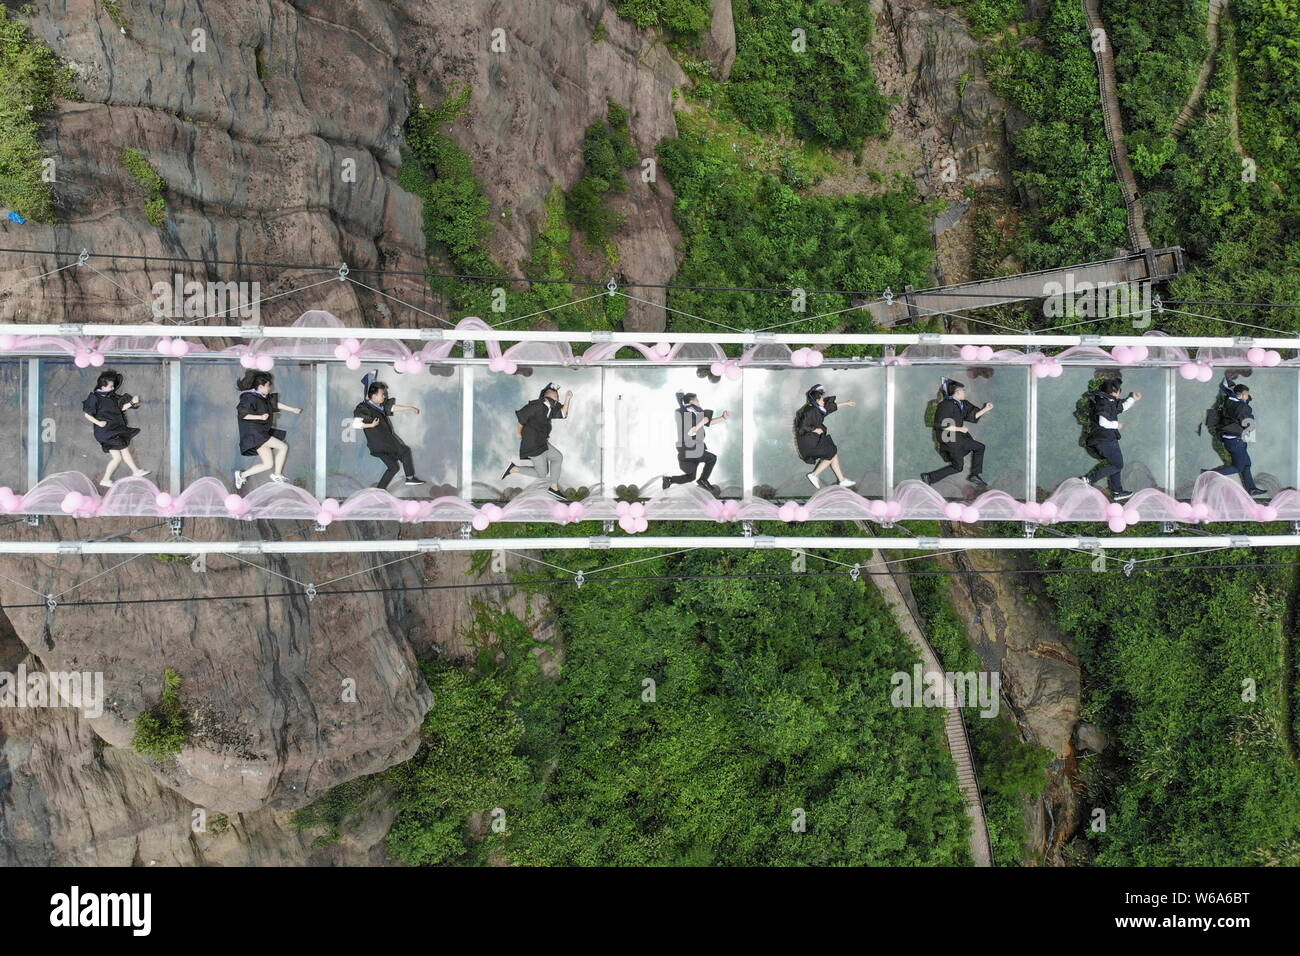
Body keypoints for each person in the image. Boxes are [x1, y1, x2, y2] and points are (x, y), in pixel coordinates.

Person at [352, 375, 425, 489]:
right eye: (382, 394)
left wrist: (411, 408)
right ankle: (410, 477)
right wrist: (371, 425)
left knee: (393, 467)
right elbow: (355, 424)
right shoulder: (364, 407)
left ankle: (379, 490)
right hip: (382, 442)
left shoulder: (380, 406)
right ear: (374, 395)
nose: (384, 396)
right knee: (405, 451)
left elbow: (393, 407)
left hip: (378, 446)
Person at [81, 369, 150, 488]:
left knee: (118, 457)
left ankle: (106, 479)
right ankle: (135, 470)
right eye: (110, 386)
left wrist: (132, 402)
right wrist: (98, 423)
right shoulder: (94, 398)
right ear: (102, 386)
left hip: (114, 429)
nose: (113, 388)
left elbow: (120, 409)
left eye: (113, 386)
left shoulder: (111, 397)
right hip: (106, 432)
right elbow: (87, 414)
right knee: (124, 449)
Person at [233, 370, 302, 489]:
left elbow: (275, 404)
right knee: (283, 446)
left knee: (268, 464)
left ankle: (241, 475)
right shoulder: (249, 398)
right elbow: (243, 414)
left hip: (260, 433)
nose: (270, 388)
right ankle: (277, 474)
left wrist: (292, 409)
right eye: (268, 386)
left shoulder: (262, 397)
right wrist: (259, 416)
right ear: (260, 386)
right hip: (255, 433)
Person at [504, 382, 572, 501]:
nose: (558, 397)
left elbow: (562, 413)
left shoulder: (550, 408)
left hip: (542, 443)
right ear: (547, 395)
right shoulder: (537, 405)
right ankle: (513, 469)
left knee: (557, 457)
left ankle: (553, 487)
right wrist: (519, 432)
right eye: (556, 395)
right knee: (542, 474)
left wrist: (567, 399)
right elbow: (522, 418)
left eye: (558, 396)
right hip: (533, 444)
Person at [1207, 372, 1269, 498]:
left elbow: (1227, 387)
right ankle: (1211, 475)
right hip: (1235, 441)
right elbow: (1246, 422)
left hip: (1231, 439)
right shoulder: (1241, 407)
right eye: (1246, 394)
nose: (1248, 396)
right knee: (1238, 467)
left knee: (1246, 464)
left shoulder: (1229, 398)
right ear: (1240, 395)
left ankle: (1251, 489)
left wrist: (1229, 379)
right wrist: (1250, 423)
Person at [922, 377, 992, 488]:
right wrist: (960, 429)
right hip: (950, 439)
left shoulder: (961, 404)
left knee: (967, 459)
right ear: (957, 392)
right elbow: (943, 424)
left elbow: (972, 416)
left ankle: (930, 477)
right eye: (963, 390)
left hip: (958, 438)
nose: (965, 392)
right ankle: (930, 477)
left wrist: (985, 409)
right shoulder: (946, 405)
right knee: (972, 454)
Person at [1080, 378, 1141, 501]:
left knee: (1116, 464)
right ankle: (1089, 479)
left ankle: (1117, 490)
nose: (1120, 394)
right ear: (1114, 391)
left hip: (1107, 439)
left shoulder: (1108, 401)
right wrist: (1115, 425)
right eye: (1119, 391)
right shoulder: (1103, 403)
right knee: (1117, 464)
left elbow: (1121, 407)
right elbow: (1103, 422)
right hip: (1104, 439)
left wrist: (1132, 398)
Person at [663, 391, 729, 494]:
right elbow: (704, 420)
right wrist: (697, 426)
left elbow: (708, 421)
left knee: (690, 477)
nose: (699, 402)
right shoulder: (684, 414)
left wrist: (723, 418)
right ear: (692, 402)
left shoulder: (693, 413)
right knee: (712, 458)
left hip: (687, 453)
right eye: (697, 400)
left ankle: (670, 480)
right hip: (690, 449)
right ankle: (703, 479)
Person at [794, 384, 857, 489]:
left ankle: (841, 480)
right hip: (808, 442)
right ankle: (814, 475)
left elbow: (830, 408)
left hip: (812, 440)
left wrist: (846, 403)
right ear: (817, 400)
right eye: (822, 399)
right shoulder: (809, 411)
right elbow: (801, 427)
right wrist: (814, 429)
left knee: (832, 452)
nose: (823, 401)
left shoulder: (816, 409)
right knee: (831, 452)